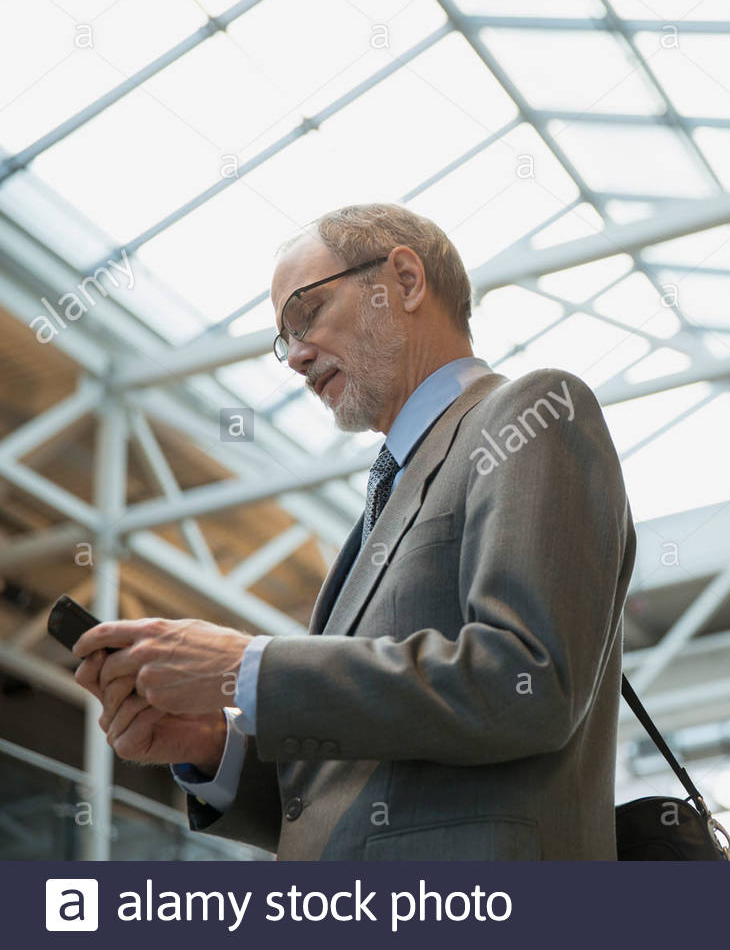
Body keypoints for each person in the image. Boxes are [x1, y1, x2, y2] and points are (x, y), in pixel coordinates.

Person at [71, 203, 636, 860]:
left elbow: (529, 681)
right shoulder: (385, 499)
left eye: (306, 313)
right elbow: (345, 796)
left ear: (403, 280)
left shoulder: (532, 413)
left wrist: (246, 669)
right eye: (285, 339)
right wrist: (215, 748)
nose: (295, 357)